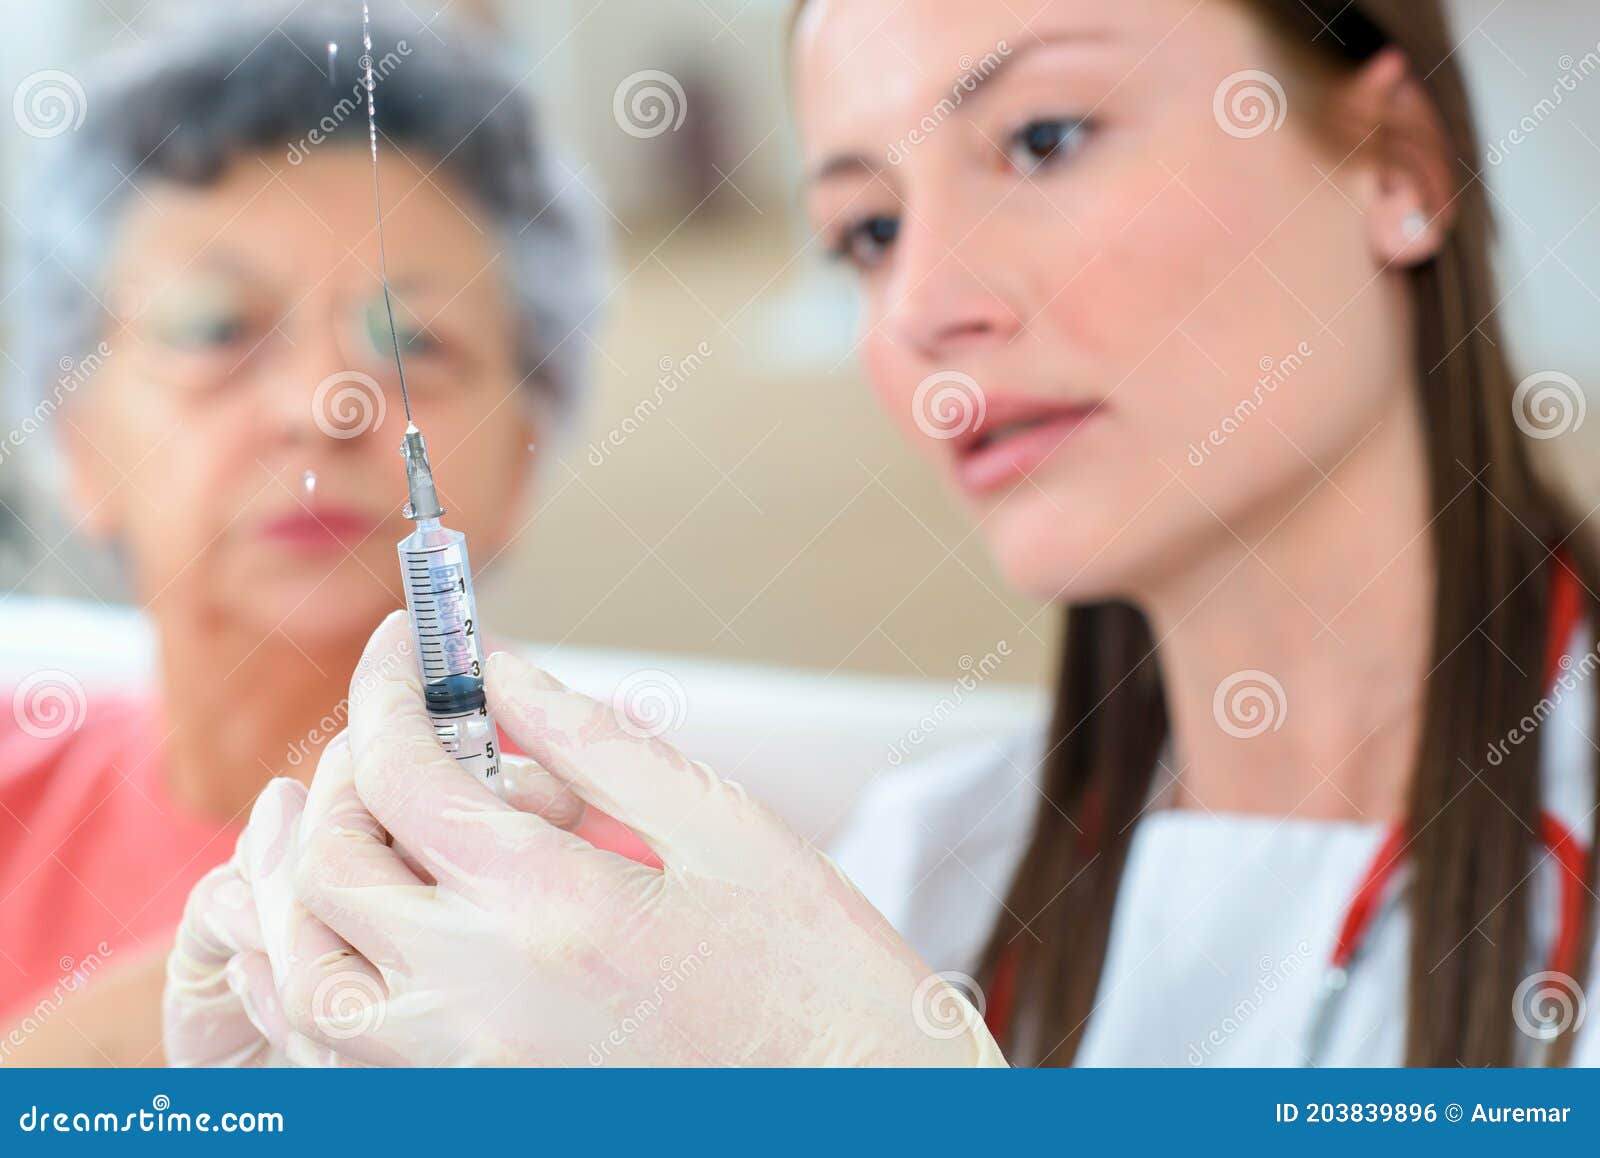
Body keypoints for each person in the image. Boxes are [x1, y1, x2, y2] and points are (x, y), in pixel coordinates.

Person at [167, 0, 1600, 1066]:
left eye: (1043, 139)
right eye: (866, 230)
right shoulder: (925, 883)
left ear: (1397, 163)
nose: (923, 305)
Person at [0, 5, 639, 1064]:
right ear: (77, 444)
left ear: (524, 454)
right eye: (215, 328)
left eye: (415, 342)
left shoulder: (623, 925)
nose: (323, 404)